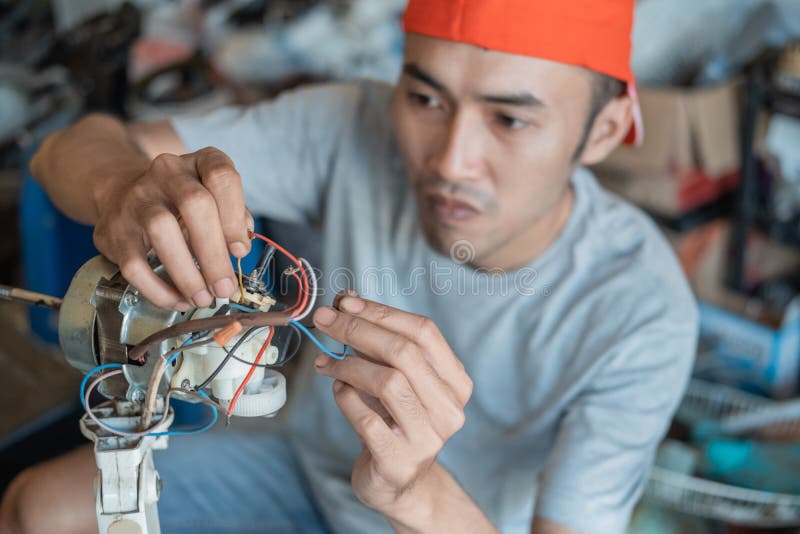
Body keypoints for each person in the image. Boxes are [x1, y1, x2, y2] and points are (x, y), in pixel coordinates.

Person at [0, 1, 698, 533]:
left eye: (509, 120)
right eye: (426, 98)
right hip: (302, 468)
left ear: (602, 131)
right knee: (38, 509)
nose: (450, 162)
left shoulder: (643, 314)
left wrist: (413, 490)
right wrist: (123, 187)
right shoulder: (348, 128)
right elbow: (68, 146)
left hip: (447, 518)